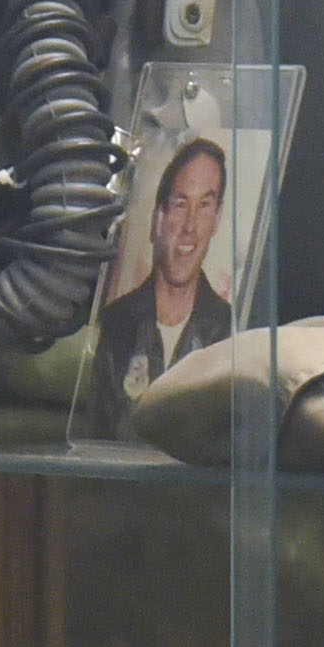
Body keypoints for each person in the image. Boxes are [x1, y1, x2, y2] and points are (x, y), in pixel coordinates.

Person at [74, 134, 238, 438]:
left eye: (204, 205)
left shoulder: (230, 332)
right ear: (158, 218)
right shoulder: (116, 323)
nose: (190, 227)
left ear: (217, 218)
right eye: (180, 204)